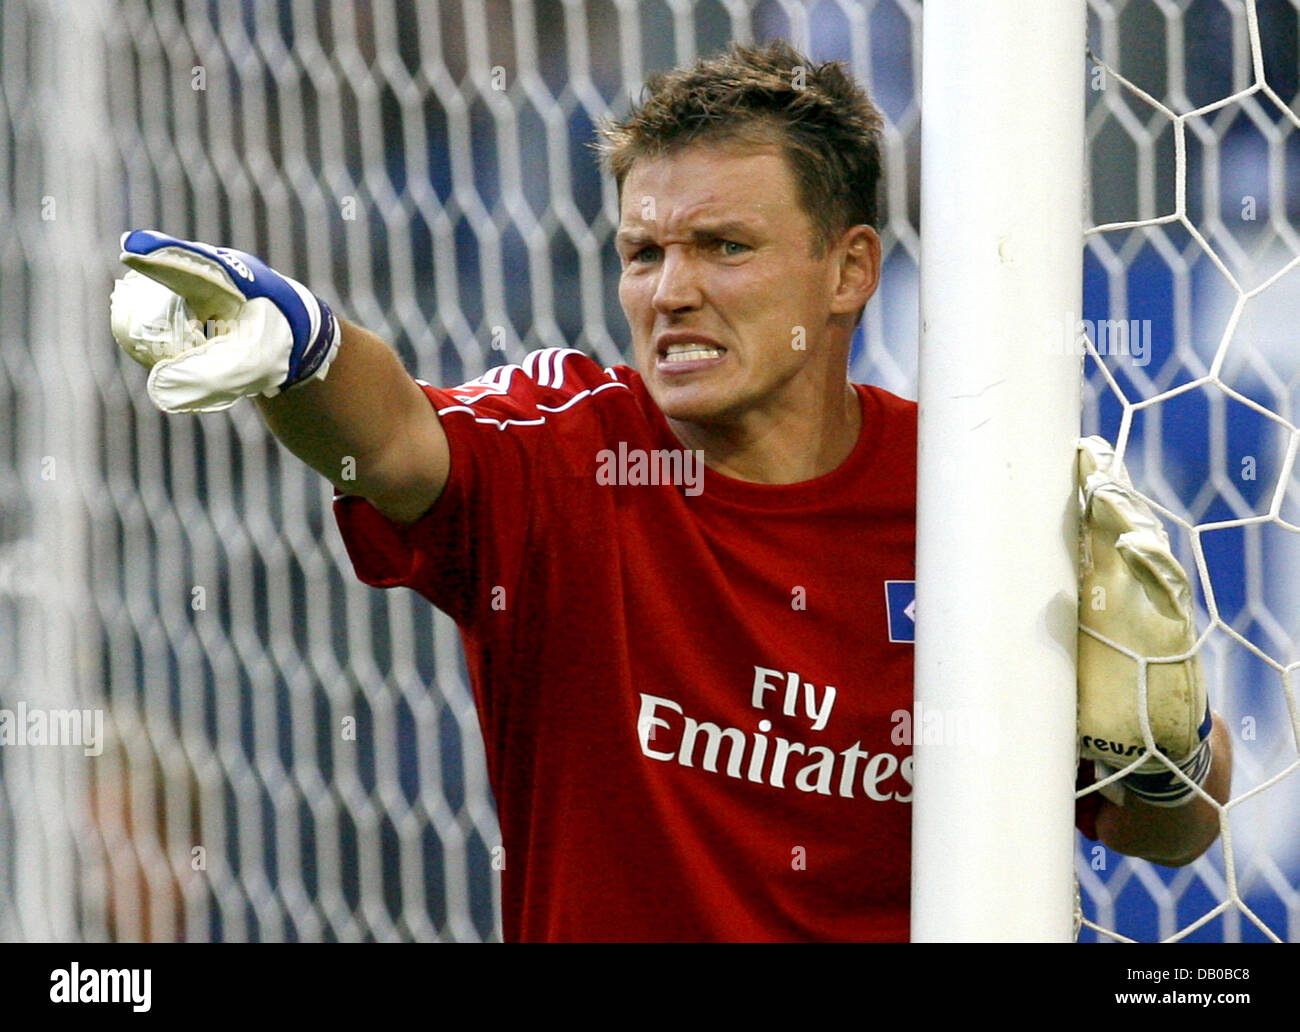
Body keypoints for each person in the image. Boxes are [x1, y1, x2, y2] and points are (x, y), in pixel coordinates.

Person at [109, 40, 1230, 942]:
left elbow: (1173, 831)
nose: (673, 291)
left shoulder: (970, 506)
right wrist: (296, 348)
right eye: (643, 254)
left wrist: (1170, 748)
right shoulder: (570, 455)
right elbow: (394, 440)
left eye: (724, 247)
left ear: (848, 272)